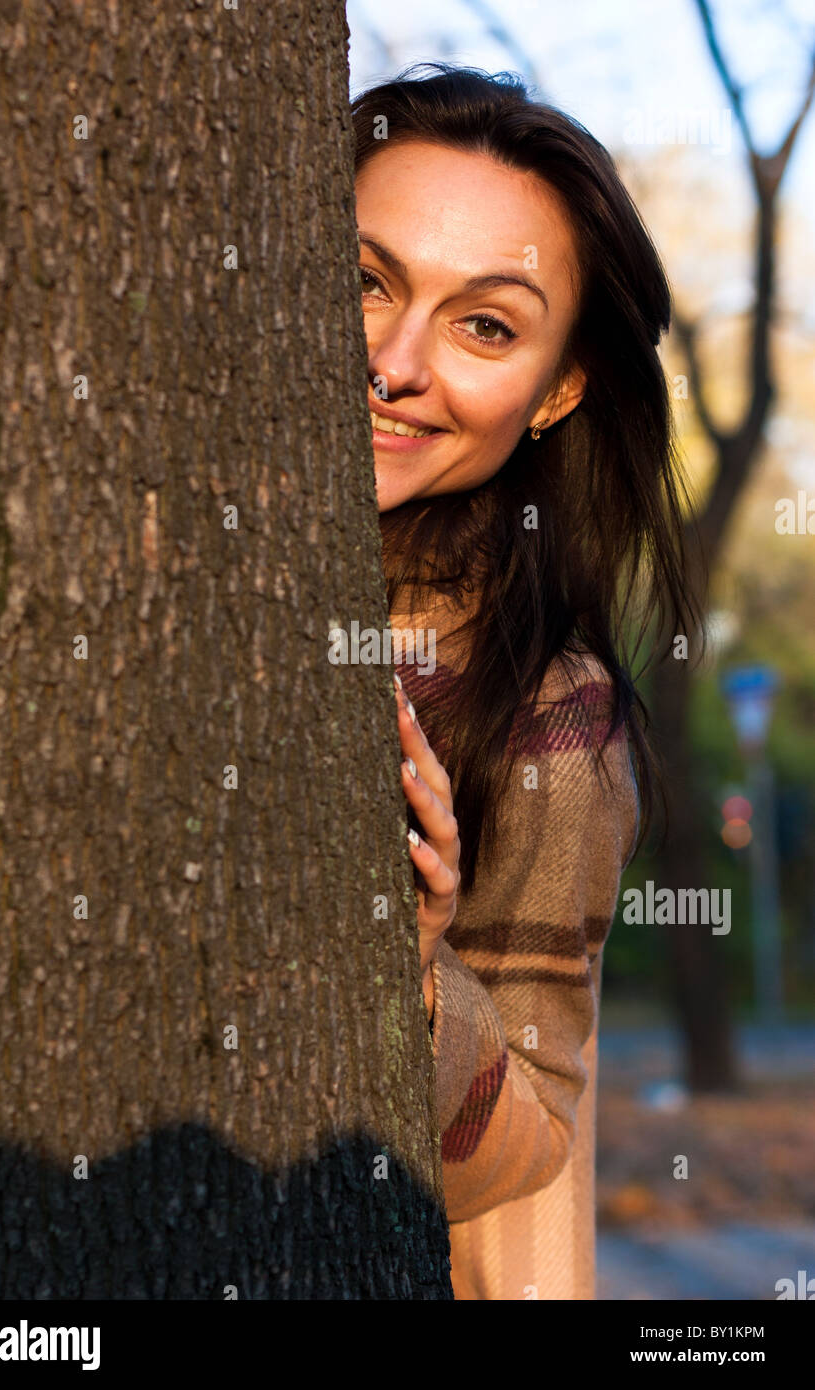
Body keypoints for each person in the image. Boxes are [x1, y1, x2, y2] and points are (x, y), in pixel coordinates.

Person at [351, 63, 700, 1300]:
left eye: (482, 324)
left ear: (555, 391)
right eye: (363, 282)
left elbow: (535, 1145)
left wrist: (413, 960)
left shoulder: (551, 716)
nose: (391, 363)